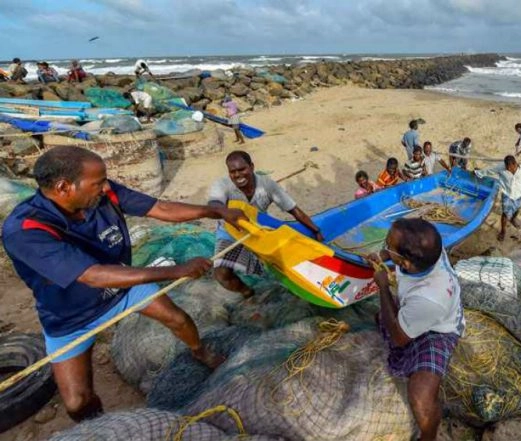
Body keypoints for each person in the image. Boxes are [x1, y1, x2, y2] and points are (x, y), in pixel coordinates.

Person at [1, 146, 246, 422]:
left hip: (123, 288)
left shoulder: (103, 194)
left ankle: (199, 350)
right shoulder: (24, 230)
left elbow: (160, 208)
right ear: (64, 187)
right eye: (98, 182)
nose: (105, 187)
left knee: (177, 318)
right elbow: (93, 276)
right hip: (71, 317)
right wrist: (176, 271)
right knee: (77, 402)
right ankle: (99, 426)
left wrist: (216, 213)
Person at [368, 218, 464, 441]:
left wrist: (382, 286)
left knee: (420, 395)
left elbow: (400, 337)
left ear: (406, 263)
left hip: (439, 330)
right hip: (417, 311)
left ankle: (428, 436)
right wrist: (384, 256)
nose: (386, 247)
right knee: (379, 317)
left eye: (389, 246)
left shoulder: (430, 297)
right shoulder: (428, 250)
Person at [208, 151, 324, 298]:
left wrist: (316, 230)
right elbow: (214, 204)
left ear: (251, 167)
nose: (238, 175)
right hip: (231, 230)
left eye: (242, 169)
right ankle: (247, 293)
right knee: (221, 274)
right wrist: (224, 211)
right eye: (233, 172)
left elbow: (293, 209)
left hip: (258, 230)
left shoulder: (267, 184)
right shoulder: (222, 185)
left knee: (286, 264)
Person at [475, 155, 521, 241]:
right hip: (507, 194)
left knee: (518, 208)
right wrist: (478, 173)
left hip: (519, 193)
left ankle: (513, 219)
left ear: (515, 164)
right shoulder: (501, 167)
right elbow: (489, 171)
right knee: (505, 213)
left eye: (510, 166)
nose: (508, 168)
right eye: (506, 166)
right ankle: (503, 231)